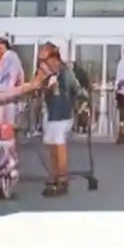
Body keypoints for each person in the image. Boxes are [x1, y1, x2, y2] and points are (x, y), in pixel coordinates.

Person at [0, 37, 31, 201]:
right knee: (0, 145)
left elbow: (9, 85)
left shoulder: (10, 58)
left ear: (0, 46)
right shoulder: (4, 61)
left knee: (4, 144)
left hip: (5, 107)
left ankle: (5, 181)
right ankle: (1, 182)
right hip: (2, 107)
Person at [36, 42, 82, 197]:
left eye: (45, 59)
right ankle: (54, 173)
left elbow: (76, 89)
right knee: (51, 144)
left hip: (62, 112)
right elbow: (37, 90)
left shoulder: (65, 72)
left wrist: (75, 104)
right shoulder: (44, 73)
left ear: (53, 57)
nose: (43, 63)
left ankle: (62, 177)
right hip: (49, 112)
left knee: (59, 143)